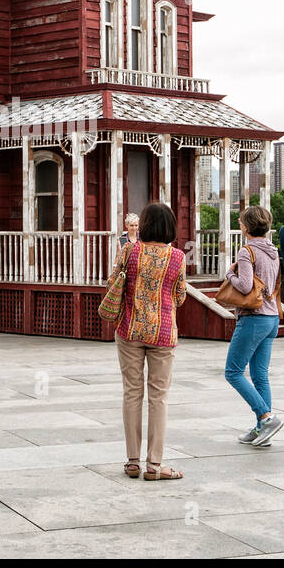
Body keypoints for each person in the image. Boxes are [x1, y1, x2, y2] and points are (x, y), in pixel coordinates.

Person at [107, 201, 187, 481]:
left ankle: (132, 461)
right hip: (163, 332)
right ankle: (154, 466)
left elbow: (111, 282)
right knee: (159, 397)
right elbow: (180, 296)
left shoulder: (129, 250)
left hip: (129, 329)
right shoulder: (177, 257)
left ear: (144, 225)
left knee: (132, 392)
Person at [224, 205, 284, 447]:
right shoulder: (273, 251)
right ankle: (262, 430)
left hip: (253, 317)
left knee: (233, 372)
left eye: (241, 222)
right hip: (272, 318)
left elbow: (246, 285)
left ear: (247, 227)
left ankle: (266, 417)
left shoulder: (246, 251)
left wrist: (230, 274)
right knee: (260, 376)